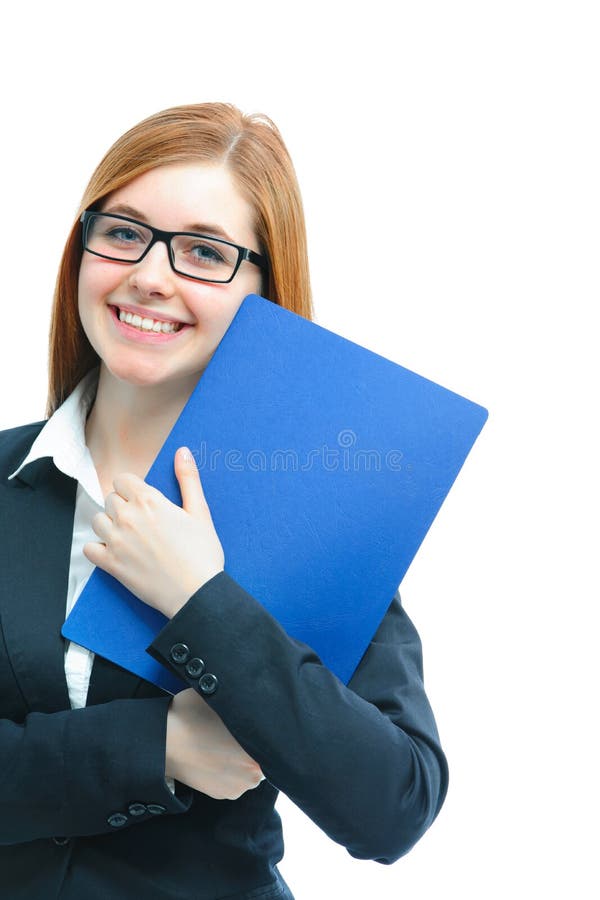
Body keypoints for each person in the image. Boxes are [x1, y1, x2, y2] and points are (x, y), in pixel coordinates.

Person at [0, 102, 448, 899]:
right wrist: (157, 747)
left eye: (204, 251)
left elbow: (392, 804)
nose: (149, 274)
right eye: (123, 232)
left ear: (263, 292)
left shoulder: (314, 511)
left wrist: (201, 600)